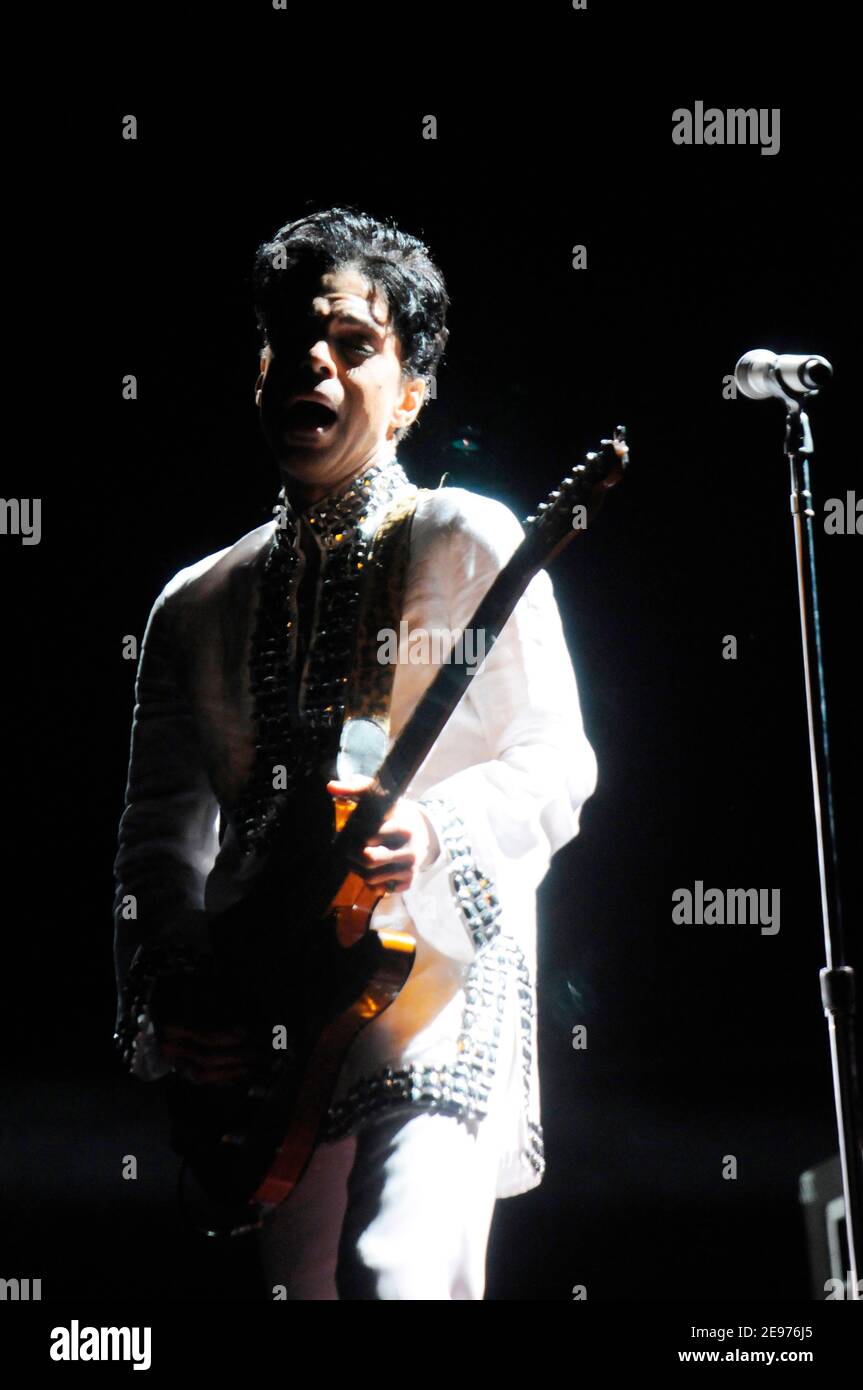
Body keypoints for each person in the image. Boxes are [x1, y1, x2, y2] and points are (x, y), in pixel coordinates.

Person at [112, 206, 598, 1300]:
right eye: (289, 337)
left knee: (398, 1274)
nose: (311, 362)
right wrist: (175, 993)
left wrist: (431, 829)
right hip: (267, 1025)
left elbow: (556, 763)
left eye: (352, 342)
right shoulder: (194, 606)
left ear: (412, 393)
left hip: (432, 994)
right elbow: (156, 846)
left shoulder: (472, 541)